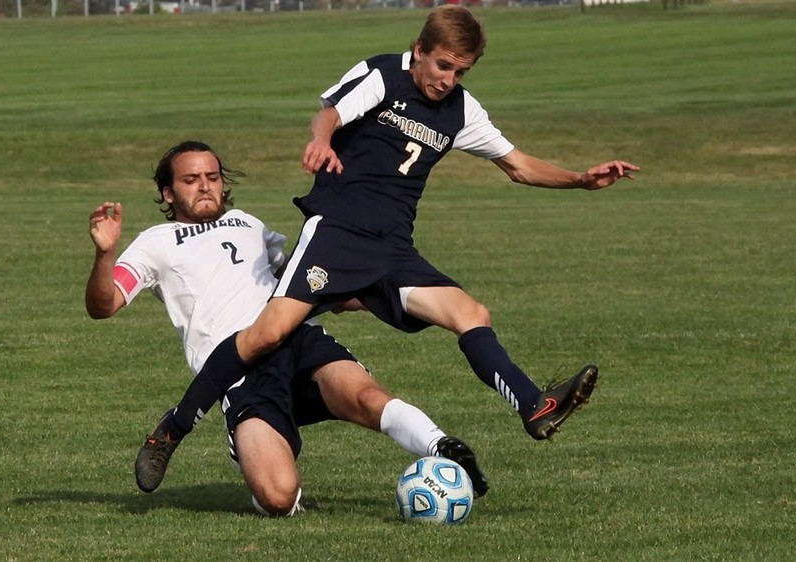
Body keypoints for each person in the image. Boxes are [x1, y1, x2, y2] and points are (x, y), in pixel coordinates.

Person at [145, 6, 640, 473]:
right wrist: (320, 140)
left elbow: (517, 164)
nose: (448, 80)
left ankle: (534, 406)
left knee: (472, 314)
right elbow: (330, 115)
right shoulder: (385, 76)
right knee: (265, 336)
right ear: (419, 48)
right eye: (443, 65)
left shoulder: (460, 111)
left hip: (392, 251)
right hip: (335, 236)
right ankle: (174, 427)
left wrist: (579, 178)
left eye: (461, 72)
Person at [85, 140, 487, 515]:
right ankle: (254, 443)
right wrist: (105, 254)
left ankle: (442, 446)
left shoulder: (250, 225)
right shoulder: (156, 242)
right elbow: (103, 306)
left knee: (365, 395)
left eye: (212, 177)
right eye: (191, 180)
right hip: (237, 372)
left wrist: (372, 293)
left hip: (298, 341)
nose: (205, 187)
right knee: (278, 498)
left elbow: (305, 282)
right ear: (168, 193)